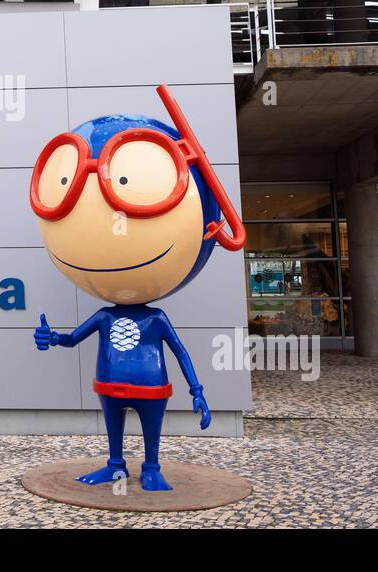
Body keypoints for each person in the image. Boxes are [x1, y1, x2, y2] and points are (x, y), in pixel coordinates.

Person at [29, 85, 245, 491]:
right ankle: (114, 463)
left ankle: (150, 466)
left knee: (150, 428)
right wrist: (51, 338)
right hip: (109, 381)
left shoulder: (155, 318)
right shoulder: (105, 316)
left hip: (151, 382)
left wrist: (197, 391)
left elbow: (178, 351)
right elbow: (74, 339)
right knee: (113, 427)